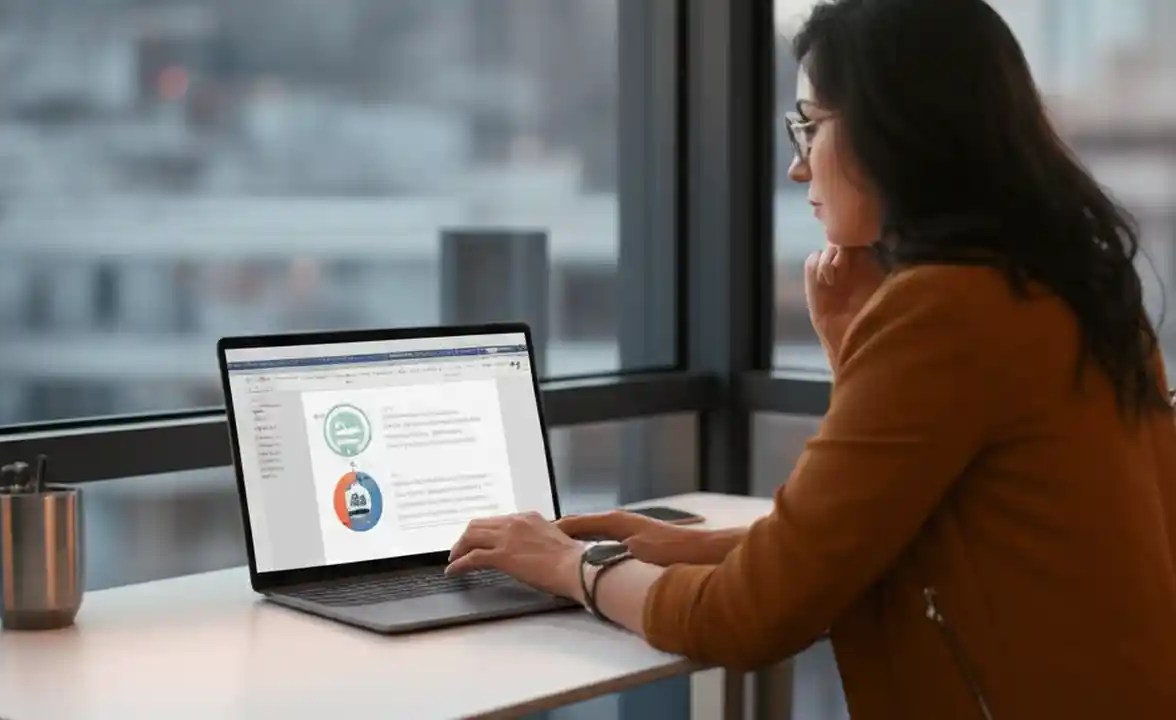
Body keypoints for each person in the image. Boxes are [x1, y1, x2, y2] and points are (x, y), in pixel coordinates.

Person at [446, 0, 1176, 716]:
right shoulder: (1074, 290)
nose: (799, 170)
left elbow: (746, 619)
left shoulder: (946, 310)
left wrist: (570, 566)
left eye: (811, 126)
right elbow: (900, 522)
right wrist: (684, 548)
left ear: (898, 129)